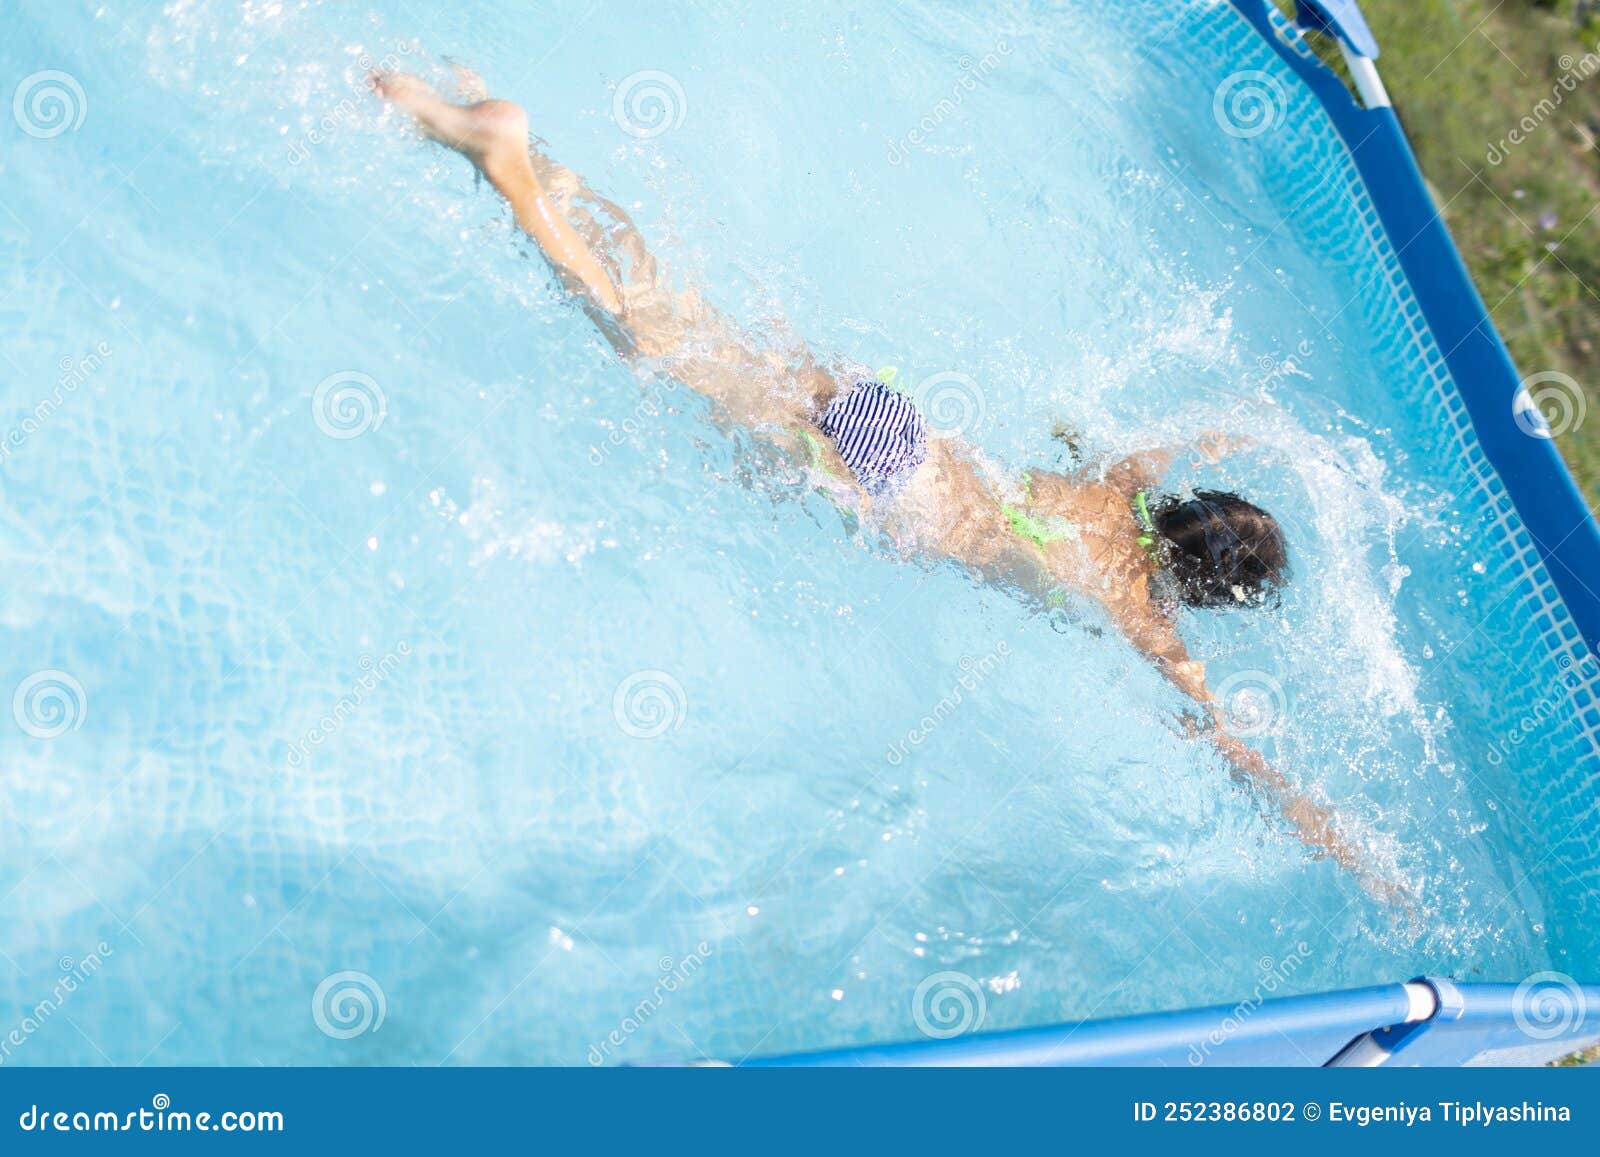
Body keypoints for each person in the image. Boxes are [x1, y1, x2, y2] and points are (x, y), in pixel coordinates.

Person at [370, 67, 1395, 898]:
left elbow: (1162, 434)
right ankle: (504, 166)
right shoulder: (1143, 608)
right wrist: (1345, 845)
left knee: (691, 314)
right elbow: (1237, 751)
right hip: (896, 488)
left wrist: (1231, 435)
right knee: (641, 343)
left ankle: (534, 151)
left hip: (901, 422)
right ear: (1198, 592)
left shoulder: (1122, 486)